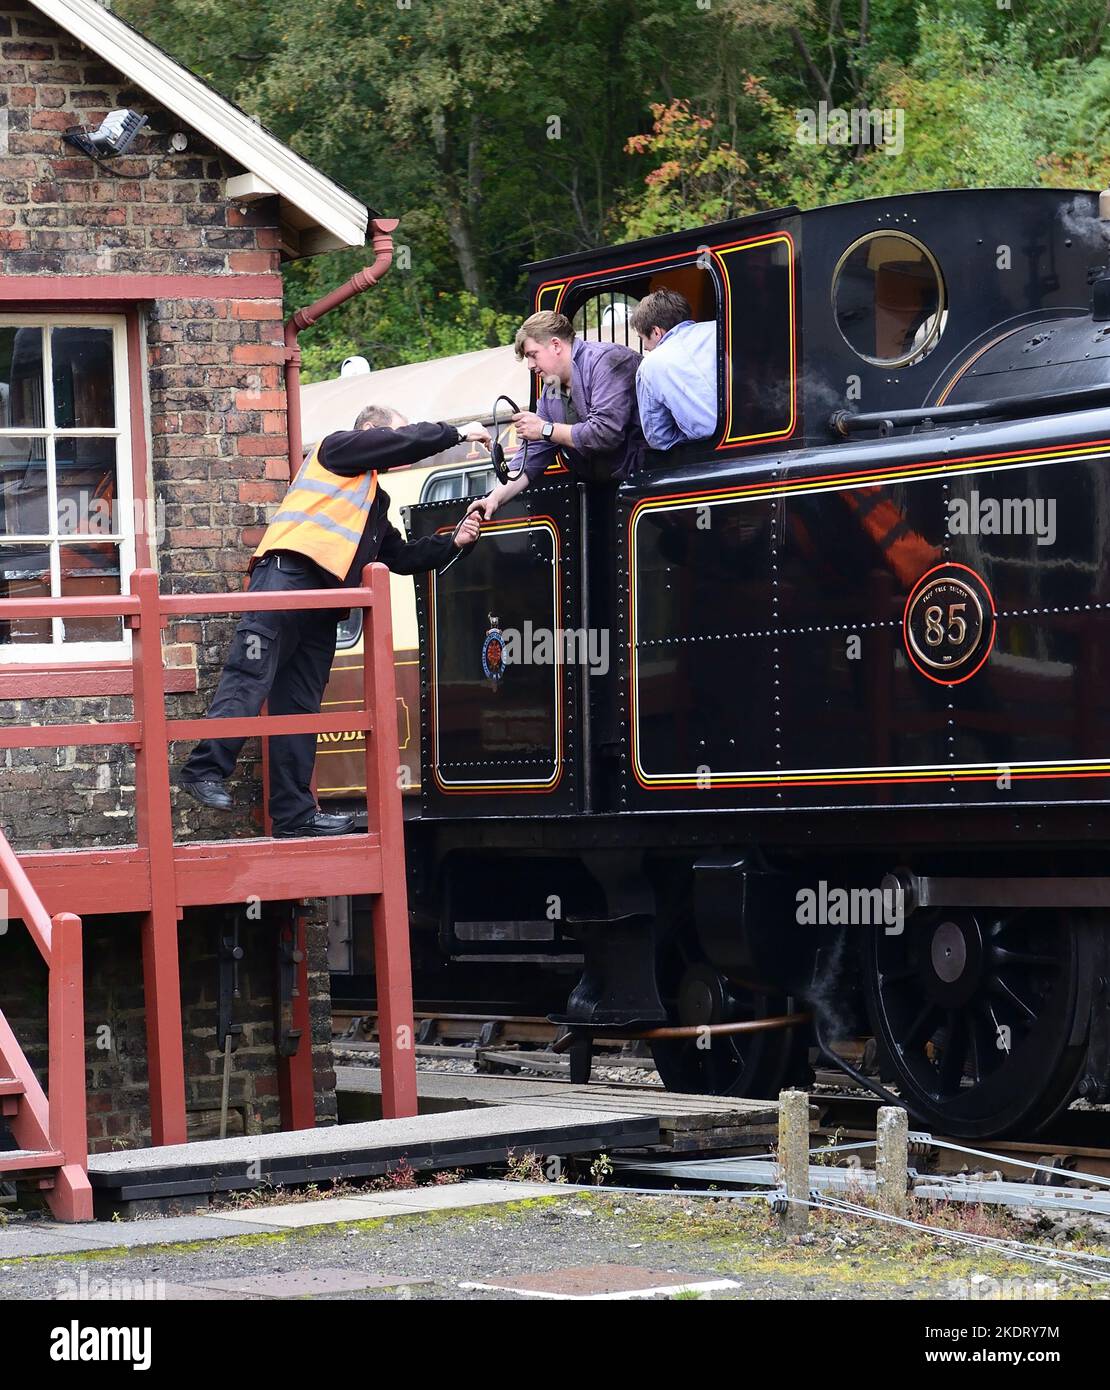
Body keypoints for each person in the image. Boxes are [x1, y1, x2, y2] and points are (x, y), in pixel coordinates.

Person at [178, 405, 487, 836]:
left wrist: (454, 541)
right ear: (372, 433)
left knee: (300, 708)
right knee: (250, 672)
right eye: (394, 437)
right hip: (287, 578)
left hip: (323, 605)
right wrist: (456, 432)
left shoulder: (374, 500)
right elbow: (404, 441)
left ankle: (294, 816)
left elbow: (400, 557)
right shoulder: (338, 447)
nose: (401, 448)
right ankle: (204, 769)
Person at [468, 310, 643, 520]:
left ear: (556, 345)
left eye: (533, 355)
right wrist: (494, 498)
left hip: (644, 485)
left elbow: (605, 433)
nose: (530, 366)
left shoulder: (606, 362)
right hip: (606, 495)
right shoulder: (551, 388)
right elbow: (533, 455)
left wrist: (544, 429)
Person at [629, 289, 718, 450]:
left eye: (642, 338)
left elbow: (659, 438)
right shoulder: (719, 329)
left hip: (707, 448)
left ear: (656, 332)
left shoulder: (650, 366)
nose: (645, 347)